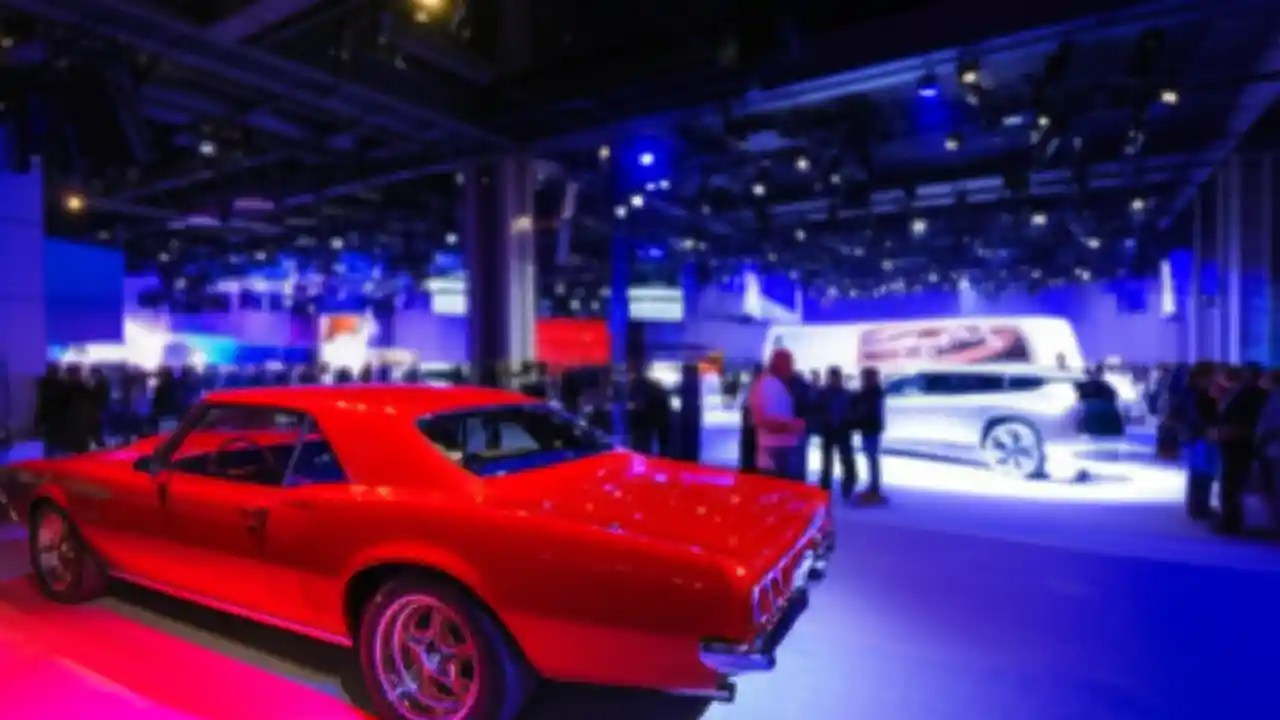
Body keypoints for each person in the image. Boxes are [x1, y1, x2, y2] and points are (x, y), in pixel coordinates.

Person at [1216, 364, 1268, 534]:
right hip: (1233, 442)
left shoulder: (1254, 395)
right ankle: (1229, 518)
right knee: (1231, 482)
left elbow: (1251, 421)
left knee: (1232, 483)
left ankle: (1230, 521)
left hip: (1239, 443)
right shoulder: (1243, 393)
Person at [747, 349, 805, 479]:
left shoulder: (780, 385)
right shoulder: (764, 385)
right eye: (789, 363)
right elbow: (760, 419)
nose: (792, 367)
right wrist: (792, 426)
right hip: (773, 450)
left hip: (784, 448)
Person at [1180, 362, 1219, 519]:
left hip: (1194, 435)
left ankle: (1197, 506)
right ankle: (1200, 507)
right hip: (1201, 436)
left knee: (1198, 471)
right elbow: (1202, 416)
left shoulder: (1190, 392)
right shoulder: (1200, 394)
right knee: (1202, 472)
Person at [817, 366, 857, 498]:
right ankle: (825, 485)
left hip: (842, 429)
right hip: (829, 429)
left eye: (836, 377)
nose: (834, 380)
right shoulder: (824, 393)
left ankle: (848, 485)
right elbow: (818, 410)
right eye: (832, 377)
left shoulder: (846, 394)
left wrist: (849, 421)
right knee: (827, 459)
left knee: (845, 459)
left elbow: (852, 411)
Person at [854, 366, 886, 503]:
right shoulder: (872, 392)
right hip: (870, 428)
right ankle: (873, 487)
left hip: (871, 428)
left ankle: (874, 488)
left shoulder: (872, 393)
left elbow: (867, 411)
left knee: (872, 458)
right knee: (871, 458)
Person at [739, 364, 763, 473]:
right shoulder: (760, 387)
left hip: (750, 426)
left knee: (749, 453)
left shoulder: (751, 386)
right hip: (753, 427)